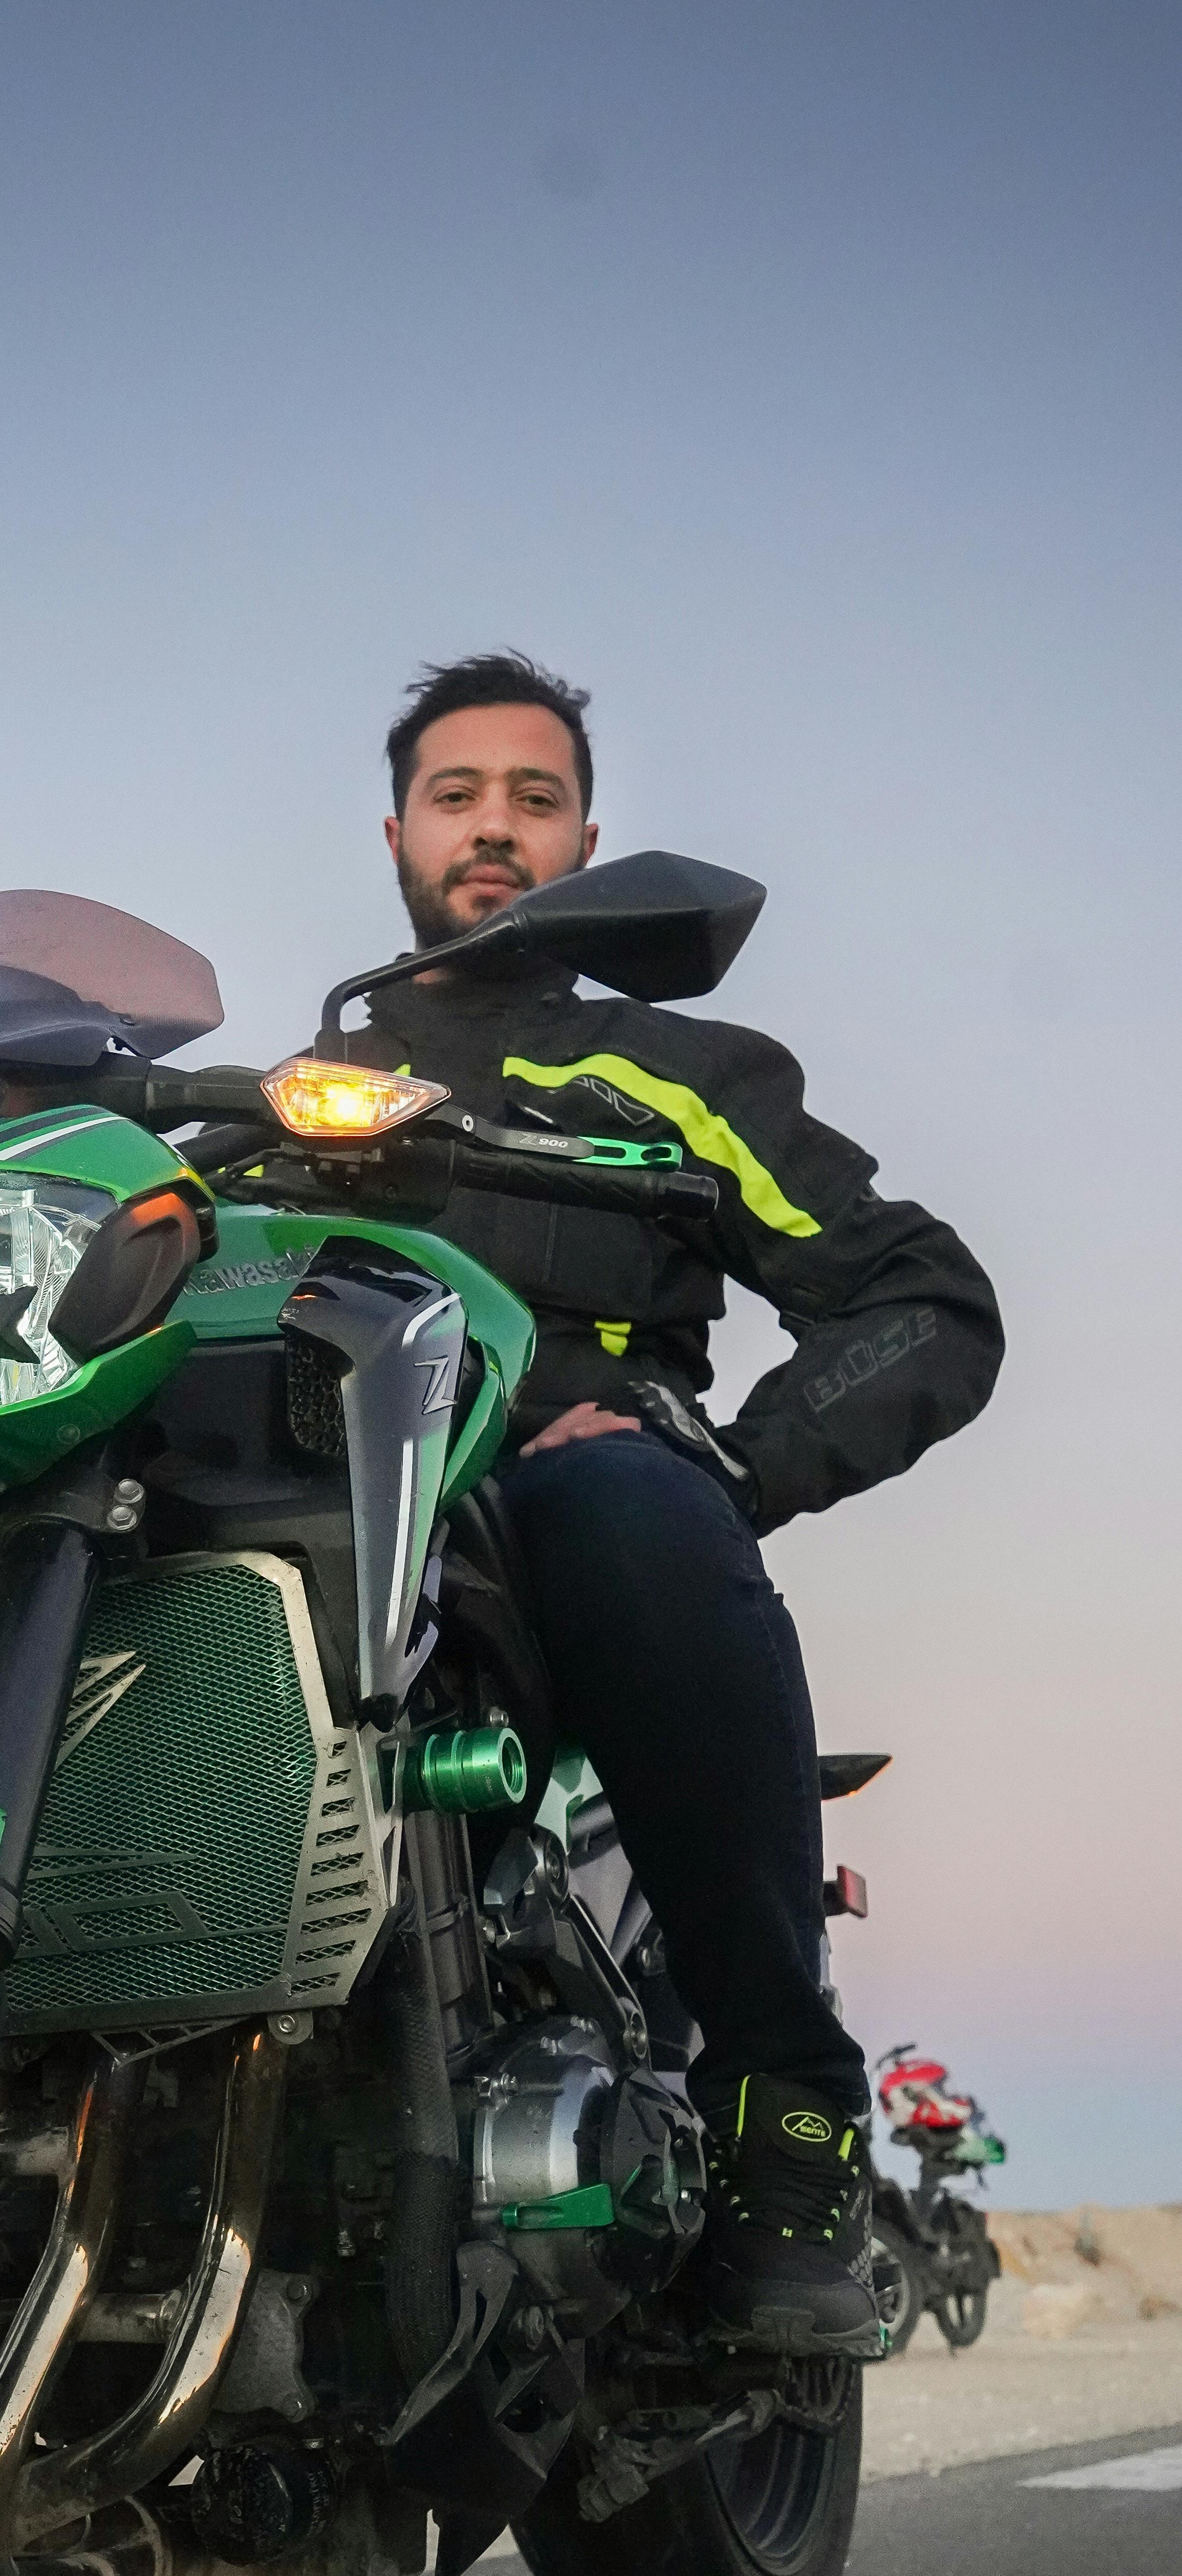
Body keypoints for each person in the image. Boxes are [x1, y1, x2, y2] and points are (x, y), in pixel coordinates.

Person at [313, 649, 1003, 2351]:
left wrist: (729, 1456)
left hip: (556, 1523)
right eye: (458, 795)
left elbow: (927, 1298)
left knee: (627, 1497)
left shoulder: (665, 1076)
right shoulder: (281, 1107)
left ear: (589, 840)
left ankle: (788, 2098)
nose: (494, 829)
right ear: (392, 831)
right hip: (324, 1526)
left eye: (532, 800)